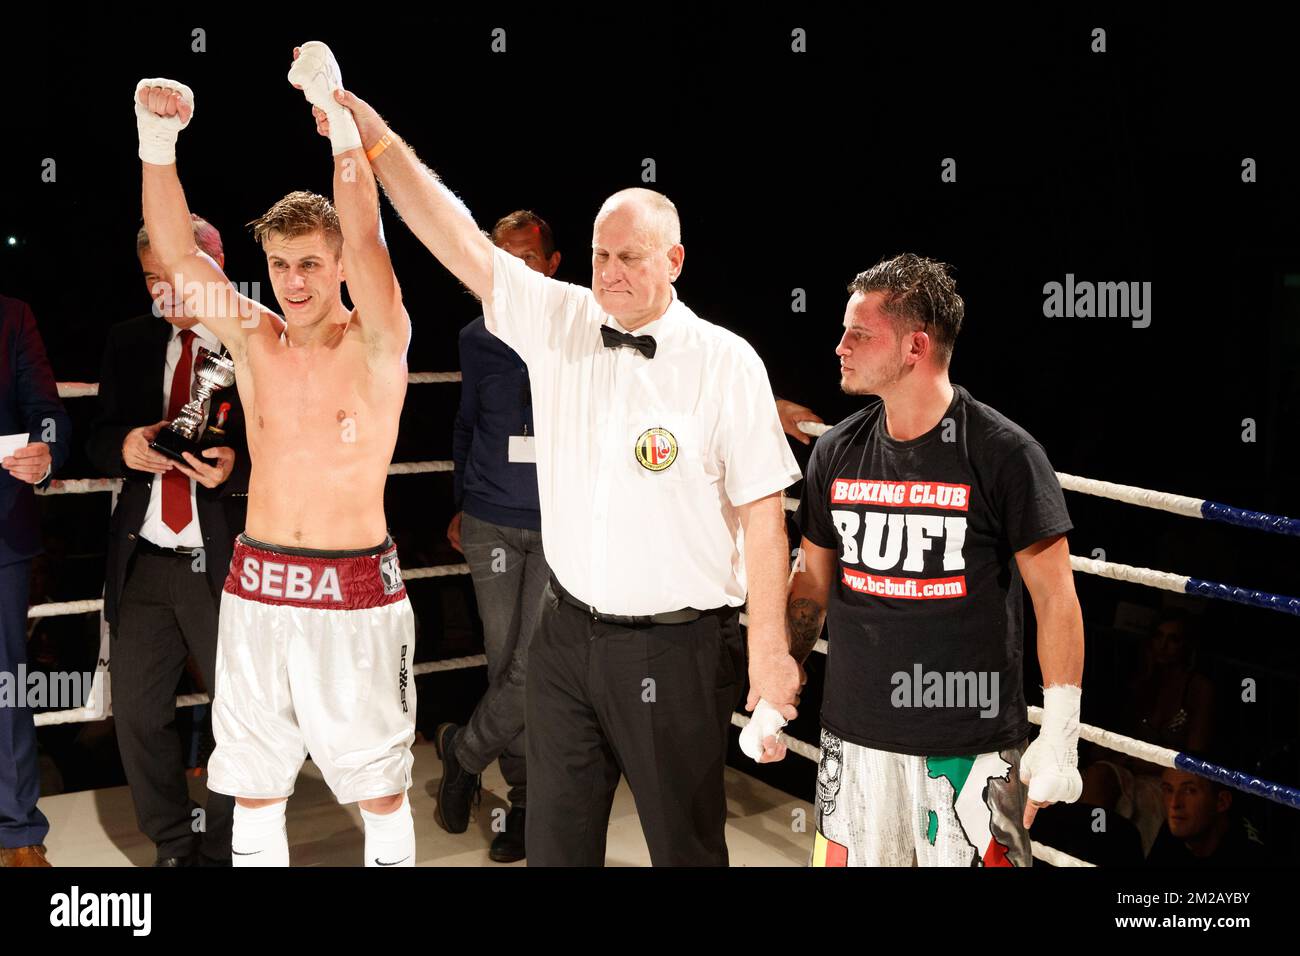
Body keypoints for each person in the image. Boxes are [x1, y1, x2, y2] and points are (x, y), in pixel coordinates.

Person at [309, 71, 804, 865]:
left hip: (675, 652)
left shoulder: (724, 362)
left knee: (684, 846)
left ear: (675, 259)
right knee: (557, 847)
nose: (609, 272)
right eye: (602, 254)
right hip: (566, 639)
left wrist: (769, 654)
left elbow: (764, 512)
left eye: (631, 258)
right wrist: (372, 135)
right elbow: (458, 238)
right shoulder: (560, 316)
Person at [133, 41, 416, 867]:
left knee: (380, 790)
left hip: (358, 592)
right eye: (281, 265)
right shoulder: (254, 340)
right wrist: (157, 140)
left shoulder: (378, 341)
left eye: (311, 265)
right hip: (257, 586)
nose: (294, 281)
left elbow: (367, 238)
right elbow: (178, 255)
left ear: (335, 269)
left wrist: (334, 121)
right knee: (253, 784)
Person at [786, 254, 1085, 866]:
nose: (840, 346)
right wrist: (778, 679)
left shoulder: (1004, 453)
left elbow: (1055, 597)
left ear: (916, 345)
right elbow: (812, 578)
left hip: (968, 748)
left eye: (860, 333)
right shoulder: (838, 449)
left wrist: (1060, 733)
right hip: (853, 738)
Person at [85, 215, 248, 866]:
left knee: (239, 717)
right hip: (145, 562)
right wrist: (122, 446)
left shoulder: (257, 338)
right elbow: (96, 434)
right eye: (153, 278)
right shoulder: (127, 342)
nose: (165, 290)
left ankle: (227, 846)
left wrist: (241, 463)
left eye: (176, 272)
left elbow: (298, 445)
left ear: (215, 262)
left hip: (228, 562)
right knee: (137, 717)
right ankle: (174, 846)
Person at [437, 210, 561, 862]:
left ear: (553, 262)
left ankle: (463, 752)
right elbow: (466, 425)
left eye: (528, 258)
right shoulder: (473, 336)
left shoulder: (580, 329)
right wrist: (461, 500)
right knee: (501, 659)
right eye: (502, 258)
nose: (515, 270)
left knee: (532, 665)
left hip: (556, 525)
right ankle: (522, 807)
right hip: (488, 518)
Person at [0, 295, 71, 867]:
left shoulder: (13, 315)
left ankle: (18, 832)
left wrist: (45, 452)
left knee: (5, 685)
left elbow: (45, 411)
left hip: (0, 531)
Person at [1146, 768, 1269, 866]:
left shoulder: (1250, 853)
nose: (1174, 803)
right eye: (1168, 790)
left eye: (1190, 791)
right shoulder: (1171, 829)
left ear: (1222, 802)